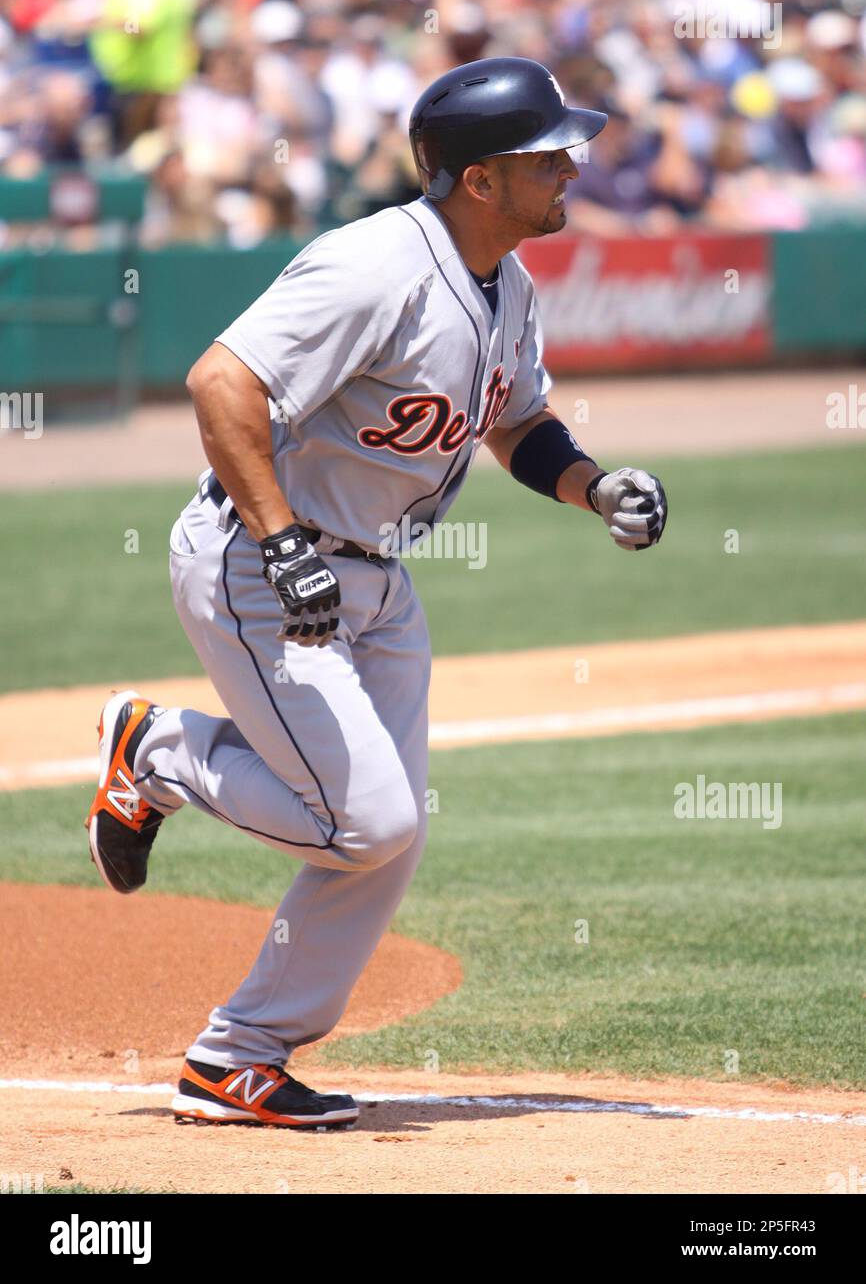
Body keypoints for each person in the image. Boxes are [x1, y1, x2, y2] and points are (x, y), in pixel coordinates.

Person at [84, 57, 668, 1130]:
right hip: (268, 569)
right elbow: (223, 382)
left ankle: (237, 1058)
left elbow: (516, 424)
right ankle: (157, 750)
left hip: (379, 584)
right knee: (369, 820)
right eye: (547, 155)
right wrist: (281, 539)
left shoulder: (507, 283)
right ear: (480, 180)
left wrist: (595, 486)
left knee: (386, 838)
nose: (570, 166)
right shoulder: (372, 264)